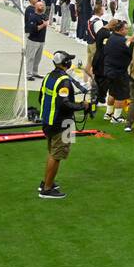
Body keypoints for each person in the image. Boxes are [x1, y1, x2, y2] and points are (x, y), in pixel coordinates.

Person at [38, 50, 89, 198]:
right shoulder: (64, 81)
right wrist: (83, 106)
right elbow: (65, 104)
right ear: (66, 63)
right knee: (57, 155)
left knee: (52, 152)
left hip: (47, 121)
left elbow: (42, 97)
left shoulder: (48, 76)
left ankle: (46, 182)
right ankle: (47, 189)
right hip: (62, 123)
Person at [102, 19, 132, 124]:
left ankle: (108, 113)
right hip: (118, 72)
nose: (127, 31)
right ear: (121, 30)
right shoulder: (122, 41)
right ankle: (116, 117)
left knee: (112, 93)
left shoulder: (111, 37)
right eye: (126, 29)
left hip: (108, 70)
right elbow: (129, 48)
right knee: (121, 95)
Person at [24, 0, 48, 81]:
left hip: (41, 40)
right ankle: (28, 74)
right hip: (33, 40)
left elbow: (47, 21)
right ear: (36, 7)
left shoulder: (44, 16)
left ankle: (34, 72)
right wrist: (43, 25)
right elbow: (33, 29)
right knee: (30, 58)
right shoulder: (33, 17)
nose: (42, 6)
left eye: (42, 5)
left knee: (38, 58)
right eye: (40, 5)